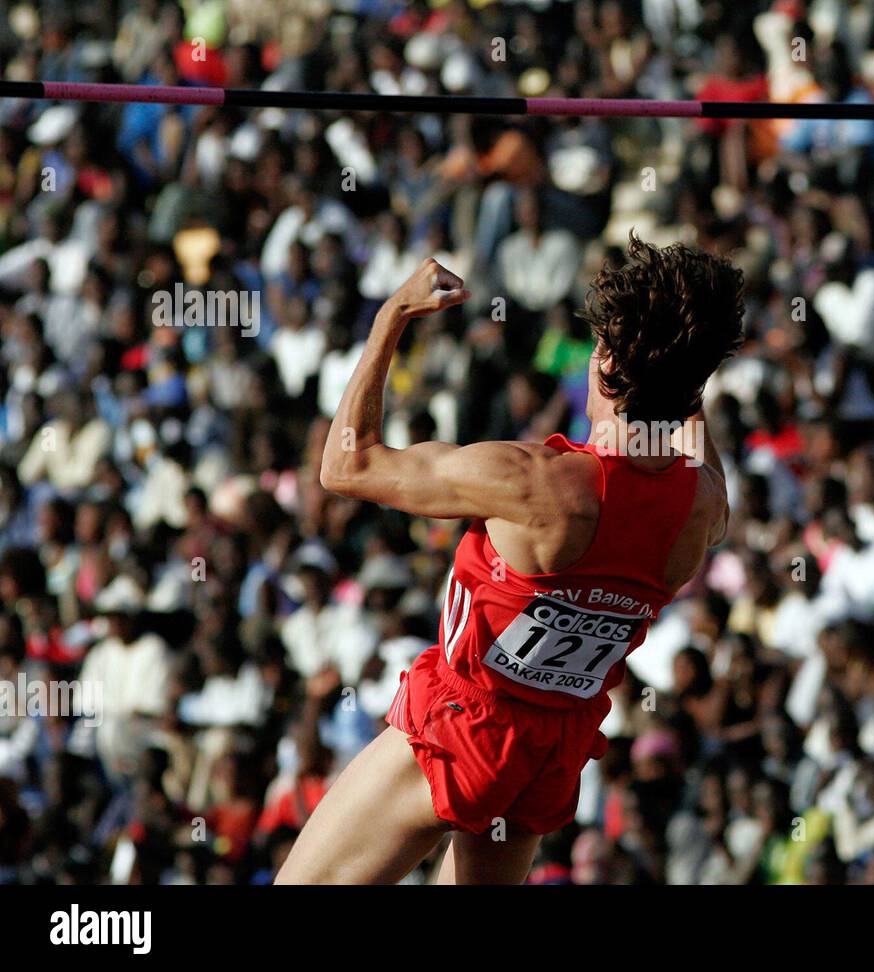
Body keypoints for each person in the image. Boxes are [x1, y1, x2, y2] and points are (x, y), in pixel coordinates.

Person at [276, 235, 740, 883]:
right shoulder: (702, 507)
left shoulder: (537, 482)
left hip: (461, 721)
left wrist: (390, 317)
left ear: (603, 356)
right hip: (548, 755)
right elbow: (689, 438)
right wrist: (686, 368)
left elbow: (346, 465)